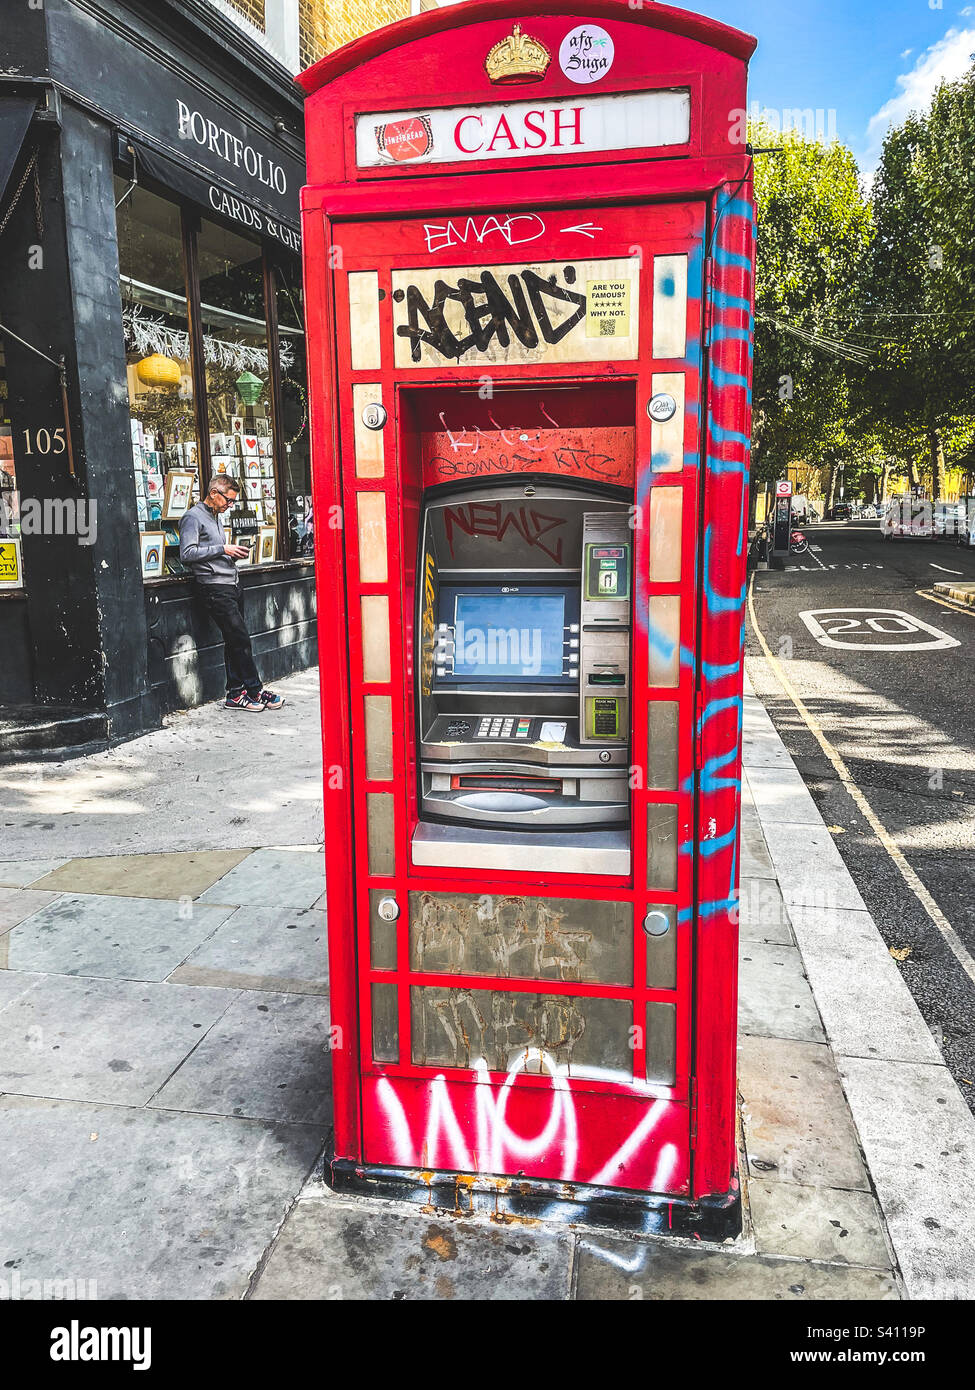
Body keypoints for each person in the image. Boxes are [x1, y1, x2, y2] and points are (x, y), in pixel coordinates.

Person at [178, 474, 285, 712]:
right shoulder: (192, 518)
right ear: (214, 493)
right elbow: (187, 553)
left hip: (231, 583)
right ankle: (255, 689)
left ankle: (236, 694)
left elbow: (210, 551)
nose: (230, 505)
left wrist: (229, 553)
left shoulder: (215, 517)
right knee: (240, 639)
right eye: (229, 500)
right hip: (213, 586)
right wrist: (223, 548)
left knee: (234, 640)